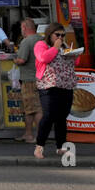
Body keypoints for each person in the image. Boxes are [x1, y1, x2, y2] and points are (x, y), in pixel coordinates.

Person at [33, 25, 77, 160]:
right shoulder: (41, 45)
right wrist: (56, 47)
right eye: (57, 35)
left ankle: (61, 147)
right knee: (48, 115)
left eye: (63, 35)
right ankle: (39, 146)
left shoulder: (64, 46)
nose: (60, 38)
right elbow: (44, 58)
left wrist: (71, 50)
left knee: (62, 117)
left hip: (66, 85)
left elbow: (77, 60)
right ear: (50, 34)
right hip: (48, 85)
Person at [10, 18, 43, 143]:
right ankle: (28, 134)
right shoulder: (41, 39)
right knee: (29, 108)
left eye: (21, 28)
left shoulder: (26, 41)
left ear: (24, 27)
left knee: (36, 109)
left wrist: (15, 60)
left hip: (29, 79)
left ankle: (39, 136)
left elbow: (22, 60)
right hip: (40, 77)